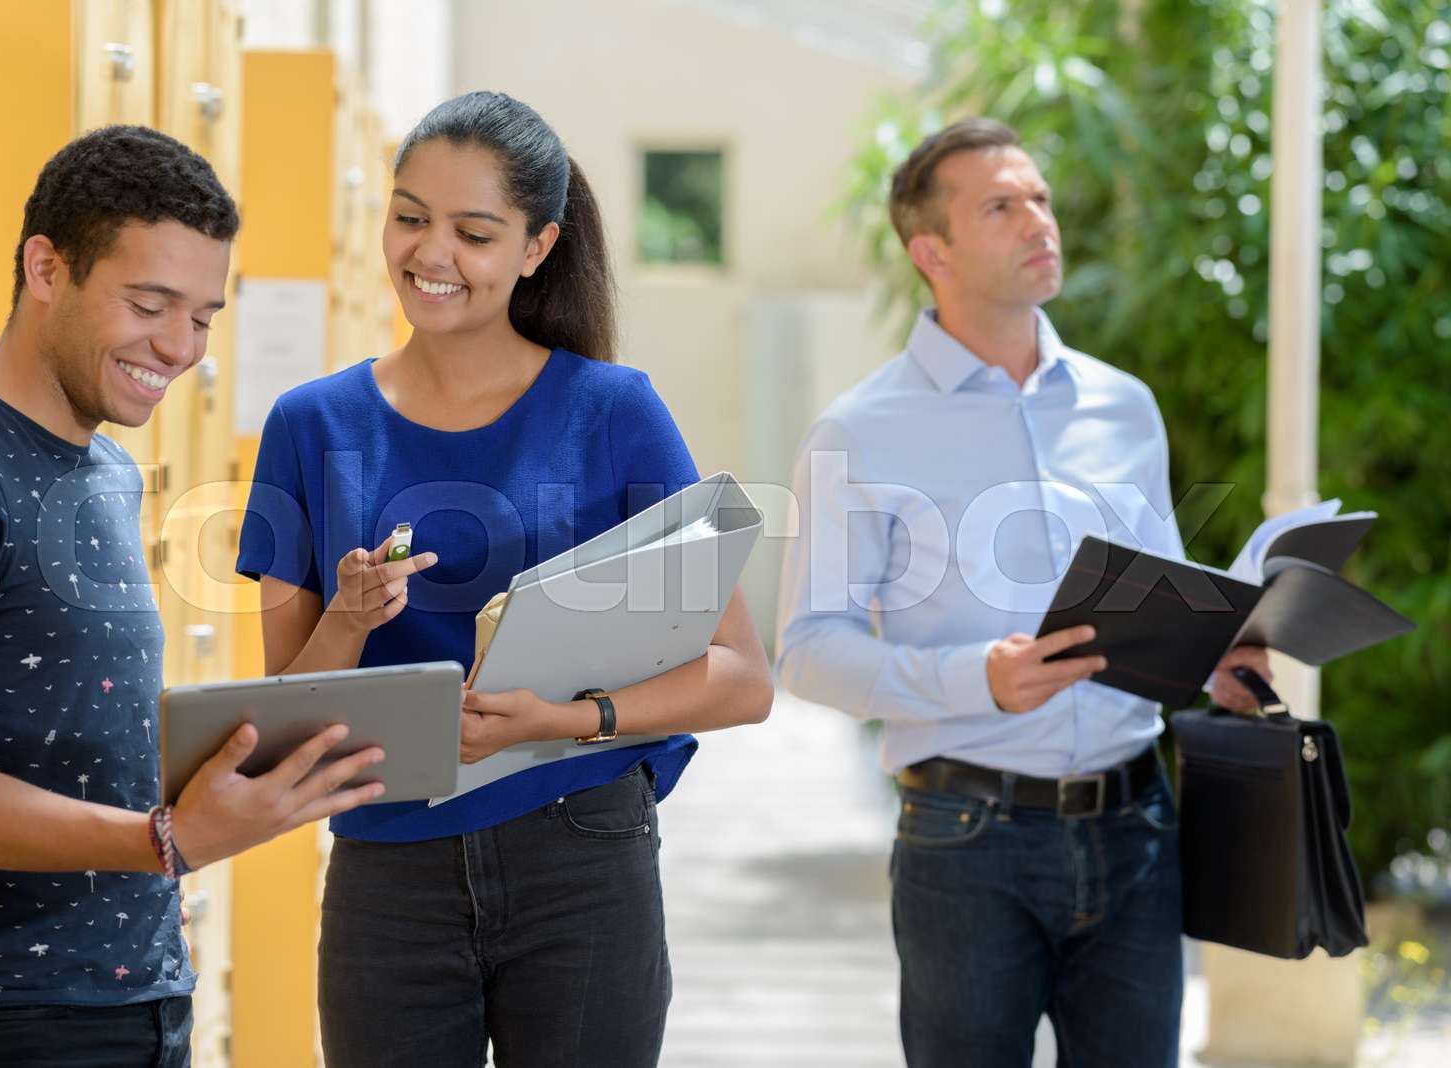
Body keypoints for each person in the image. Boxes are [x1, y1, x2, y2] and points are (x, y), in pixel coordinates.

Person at [235, 90, 774, 1068]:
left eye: (473, 233)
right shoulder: (308, 425)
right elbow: (287, 716)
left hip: (581, 852)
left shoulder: (614, 411)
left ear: (537, 247)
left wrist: (562, 721)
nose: (430, 254)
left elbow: (742, 678)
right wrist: (348, 619)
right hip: (387, 869)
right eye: (409, 217)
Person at [0, 125, 386, 1068]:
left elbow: (83, 729)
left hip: (142, 998)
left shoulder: (107, 467)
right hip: (3, 1018)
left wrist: (339, 628)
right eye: (149, 304)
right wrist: (164, 838)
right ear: (46, 269)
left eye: (204, 317)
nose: (180, 347)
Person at [773, 117, 1271, 1067]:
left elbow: (1158, 596)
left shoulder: (1125, 405)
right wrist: (980, 679)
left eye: (1039, 198)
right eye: (1001, 207)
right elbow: (808, 650)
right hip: (967, 843)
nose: (1040, 220)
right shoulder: (858, 432)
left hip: (1138, 828)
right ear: (931, 253)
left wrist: (1211, 656)